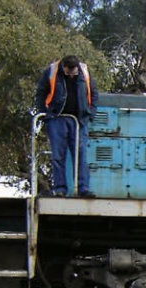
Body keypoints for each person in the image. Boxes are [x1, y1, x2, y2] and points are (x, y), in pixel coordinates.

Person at [34, 55, 96, 197]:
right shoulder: (51, 71)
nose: (71, 75)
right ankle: (60, 188)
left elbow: (93, 93)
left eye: (73, 72)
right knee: (58, 155)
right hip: (57, 119)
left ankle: (83, 189)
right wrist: (45, 114)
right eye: (68, 72)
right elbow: (41, 93)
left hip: (79, 121)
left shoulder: (84, 71)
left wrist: (90, 114)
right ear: (64, 67)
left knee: (80, 154)